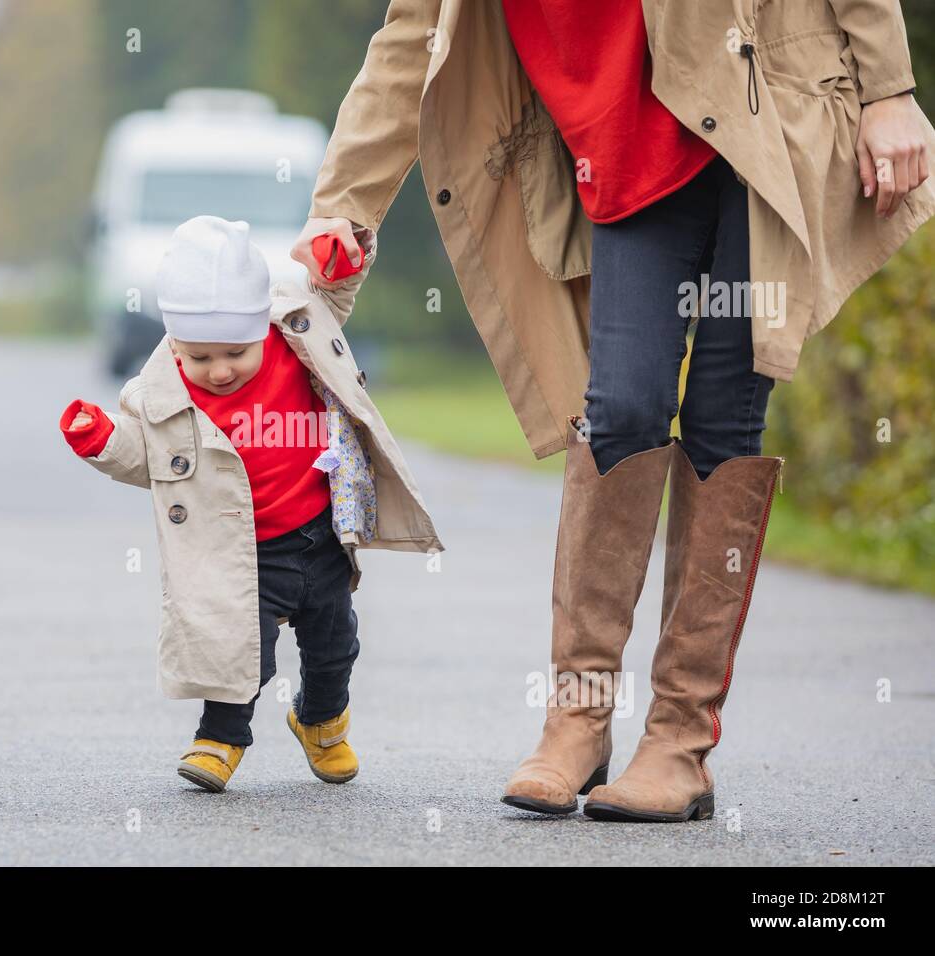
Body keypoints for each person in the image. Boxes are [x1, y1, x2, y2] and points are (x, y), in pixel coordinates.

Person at [294, 0, 933, 821]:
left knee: (722, 417)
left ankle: (678, 741)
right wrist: (341, 206)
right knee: (621, 407)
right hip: (626, 153)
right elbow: (413, 43)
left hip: (761, 119)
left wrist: (889, 90)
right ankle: (579, 718)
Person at [61, 216, 443, 792]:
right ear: (175, 345)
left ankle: (320, 721)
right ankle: (219, 739)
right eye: (199, 357)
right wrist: (103, 439)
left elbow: (332, 295)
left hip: (318, 535)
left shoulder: (297, 335)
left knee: (335, 645)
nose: (218, 370)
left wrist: (340, 261)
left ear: (260, 329)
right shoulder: (166, 396)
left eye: (236, 353)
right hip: (240, 552)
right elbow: (149, 457)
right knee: (239, 654)